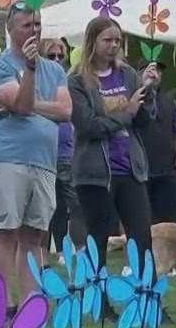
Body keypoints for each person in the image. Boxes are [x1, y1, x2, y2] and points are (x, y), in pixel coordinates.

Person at [0, 5, 72, 297]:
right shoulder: (0, 65)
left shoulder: (56, 69)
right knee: (6, 232)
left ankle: (30, 307)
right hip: (8, 159)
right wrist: (30, 73)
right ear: (10, 29)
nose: (34, 30)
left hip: (44, 161)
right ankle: (0, 303)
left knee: (34, 237)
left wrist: (27, 103)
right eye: (26, 25)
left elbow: (65, 110)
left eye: (38, 24)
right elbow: (19, 105)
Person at [69, 17, 161, 260]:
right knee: (97, 239)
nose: (113, 45)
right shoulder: (77, 80)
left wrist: (148, 90)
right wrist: (126, 113)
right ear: (92, 42)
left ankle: (145, 295)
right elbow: (88, 126)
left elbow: (142, 122)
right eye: (107, 40)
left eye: (118, 41)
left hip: (130, 169)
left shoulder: (127, 74)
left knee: (142, 239)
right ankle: (95, 296)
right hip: (95, 173)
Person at [39, 38, 84, 253]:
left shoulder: (68, 84)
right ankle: (46, 252)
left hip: (68, 153)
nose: (57, 59)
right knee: (47, 208)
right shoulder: (37, 83)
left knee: (76, 205)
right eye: (51, 56)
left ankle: (77, 248)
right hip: (44, 154)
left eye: (60, 55)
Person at [134, 85, 176, 227]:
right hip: (140, 169)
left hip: (166, 169)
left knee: (168, 219)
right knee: (138, 218)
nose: (155, 74)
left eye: (159, 70)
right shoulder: (133, 100)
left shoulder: (170, 102)